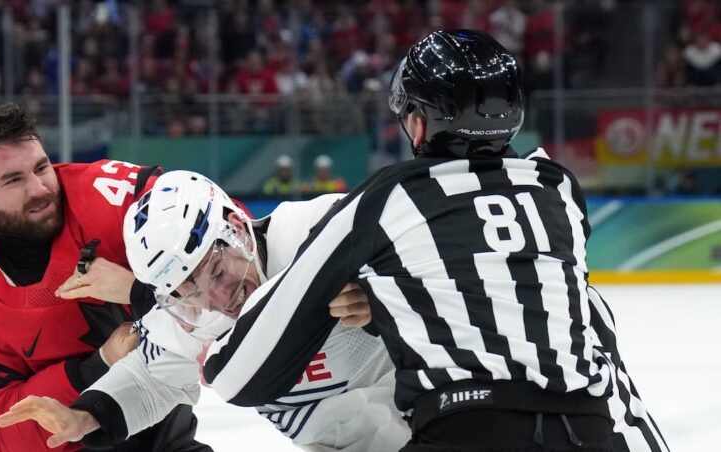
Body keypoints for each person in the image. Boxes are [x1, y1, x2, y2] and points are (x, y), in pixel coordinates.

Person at [200, 30, 668, 452]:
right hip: (589, 428)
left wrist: (215, 359)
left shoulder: (388, 197)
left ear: (419, 125)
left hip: (465, 426)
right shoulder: (559, 188)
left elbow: (244, 377)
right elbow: (564, 313)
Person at [0, 170, 410, 452]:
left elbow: (454, 268)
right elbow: (147, 378)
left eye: (216, 271)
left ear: (235, 225)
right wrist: (82, 418)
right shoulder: (191, 318)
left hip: (439, 419)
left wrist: (382, 299)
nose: (218, 299)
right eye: (187, 292)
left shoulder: (326, 228)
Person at [0, 103, 210, 452]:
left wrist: (139, 291)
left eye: (42, 167)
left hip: (167, 440)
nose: (39, 188)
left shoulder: (113, 198)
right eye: (14, 180)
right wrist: (97, 366)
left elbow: (239, 255)